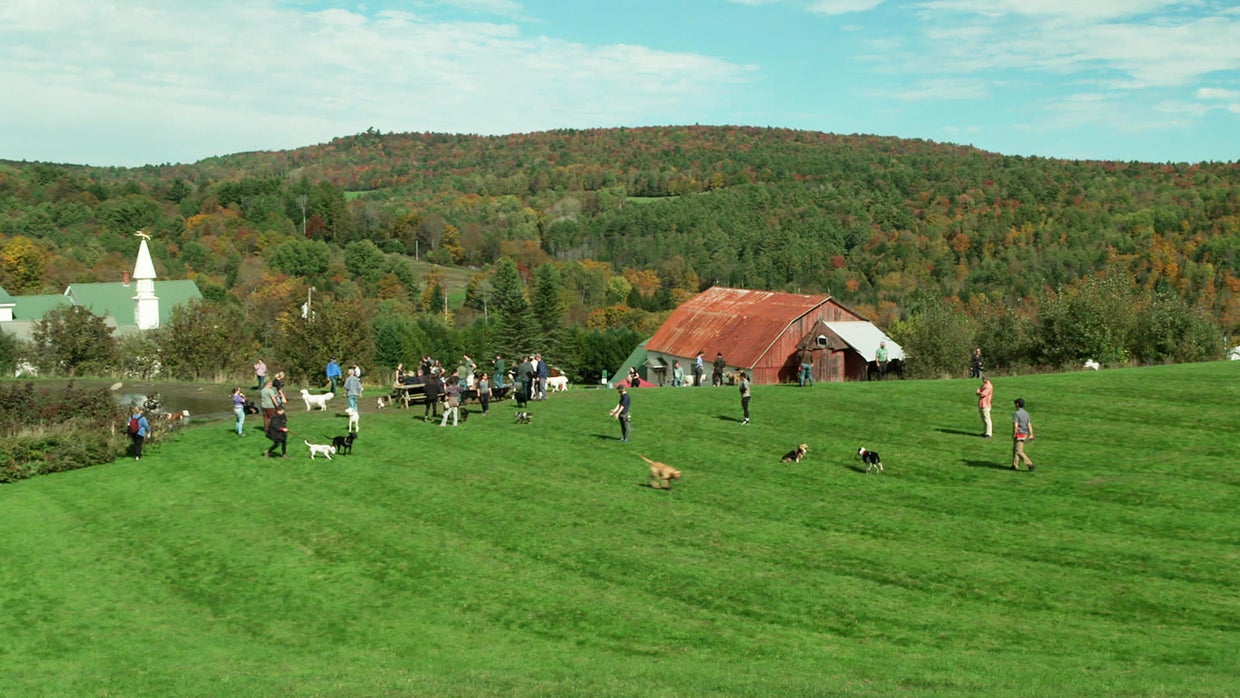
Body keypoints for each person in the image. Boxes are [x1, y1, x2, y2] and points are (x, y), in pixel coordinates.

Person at [1011, 398, 1035, 471]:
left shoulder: (1016, 413)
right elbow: (1029, 424)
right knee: (1015, 449)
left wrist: (1014, 434)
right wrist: (1031, 434)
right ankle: (1014, 465)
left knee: (1018, 451)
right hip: (1025, 434)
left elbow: (1016, 425)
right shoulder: (1026, 413)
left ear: (1017, 404)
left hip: (1019, 434)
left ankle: (1029, 464)